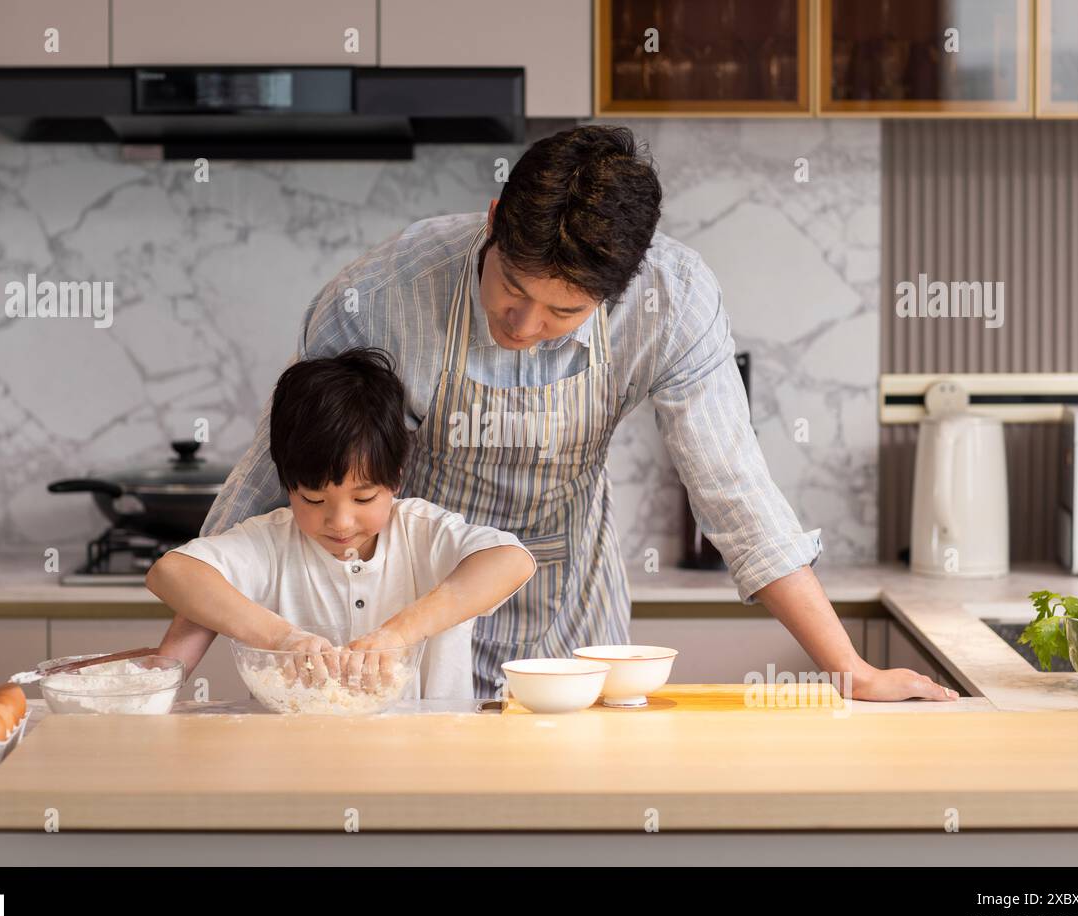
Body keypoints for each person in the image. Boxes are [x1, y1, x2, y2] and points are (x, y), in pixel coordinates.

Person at [162, 124, 958, 703]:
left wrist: (846, 666)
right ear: (493, 216)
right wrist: (169, 666)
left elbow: (735, 491)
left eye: (564, 311)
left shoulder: (672, 303)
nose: (524, 326)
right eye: (512, 289)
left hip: (577, 632)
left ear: (620, 289)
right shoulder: (379, 296)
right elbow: (280, 472)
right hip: (404, 638)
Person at [147, 349, 535, 700]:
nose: (340, 522)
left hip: (429, 763)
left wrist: (399, 633)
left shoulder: (422, 532)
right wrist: (282, 638)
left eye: (363, 498)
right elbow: (170, 572)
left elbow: (511, 561)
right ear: (287, 485)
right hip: (292, 765)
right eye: (313, 500)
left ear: (395, 479)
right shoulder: (270, 543)